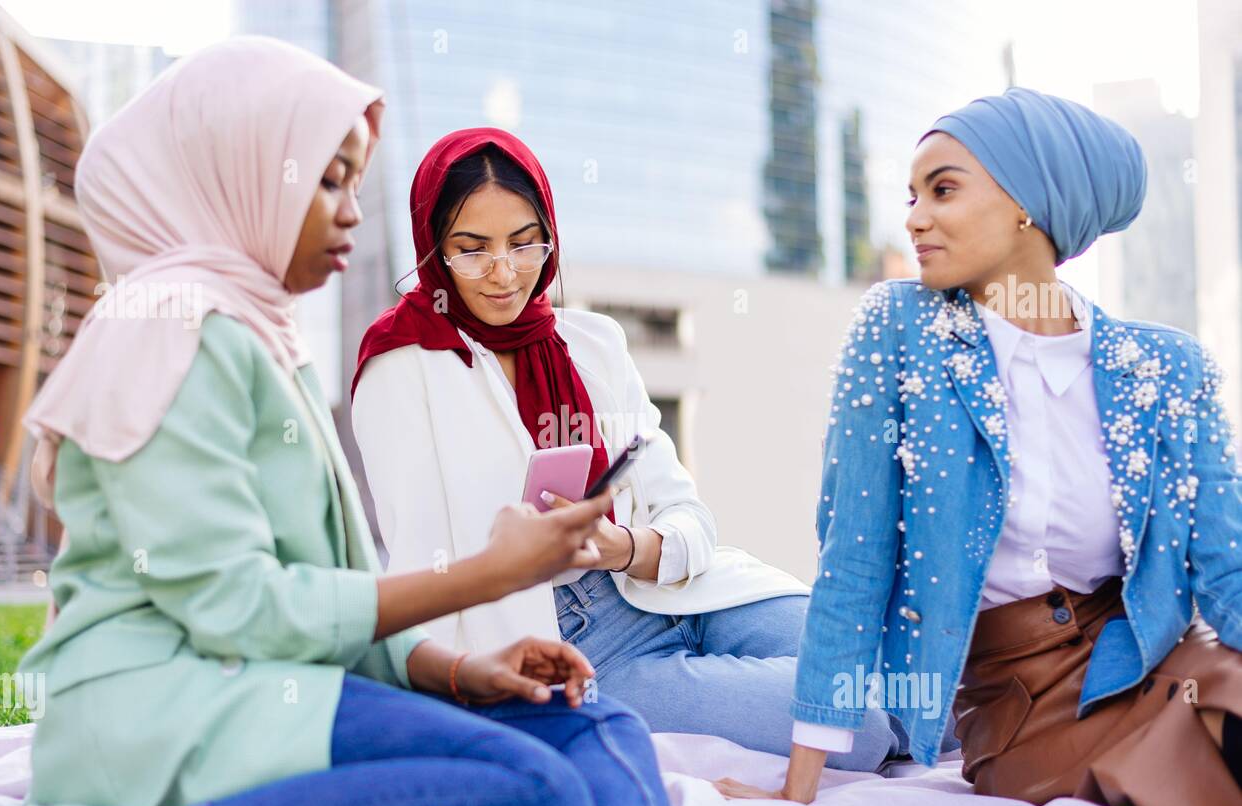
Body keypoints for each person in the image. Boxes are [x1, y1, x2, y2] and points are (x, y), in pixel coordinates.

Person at [0, 36, 853, 806]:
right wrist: (483, 583)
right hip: (171, 715)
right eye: (327, 181)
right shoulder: (171, 330)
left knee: (591, 722)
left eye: (355, 182)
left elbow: (330, 601)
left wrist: (462, 669)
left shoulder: (256, 335)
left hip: (279, 689)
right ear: (235, 174)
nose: (354, 212)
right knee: (534, 790)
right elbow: (244, 611)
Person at [715, 87, 1242, 806]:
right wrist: (802, 785)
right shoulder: (897, 330)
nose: (915, 217)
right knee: (1193, 767)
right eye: (912, 195)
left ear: (1029, 204)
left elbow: (1225, 565)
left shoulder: (1166, 366)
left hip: (1155, 657)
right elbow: (854, 558)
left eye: (944, 187)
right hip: (1020, 706)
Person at [349, 127, 915, 769]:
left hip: (679, 588)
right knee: (855, 724)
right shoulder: (402, 364)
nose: (504, 273)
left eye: (524, 242)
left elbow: (687, 513)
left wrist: (630, 547)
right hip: (583, 649)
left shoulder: (592, 343)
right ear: (433, 249)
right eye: (471, 250)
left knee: (901, 669)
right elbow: (424, 568)